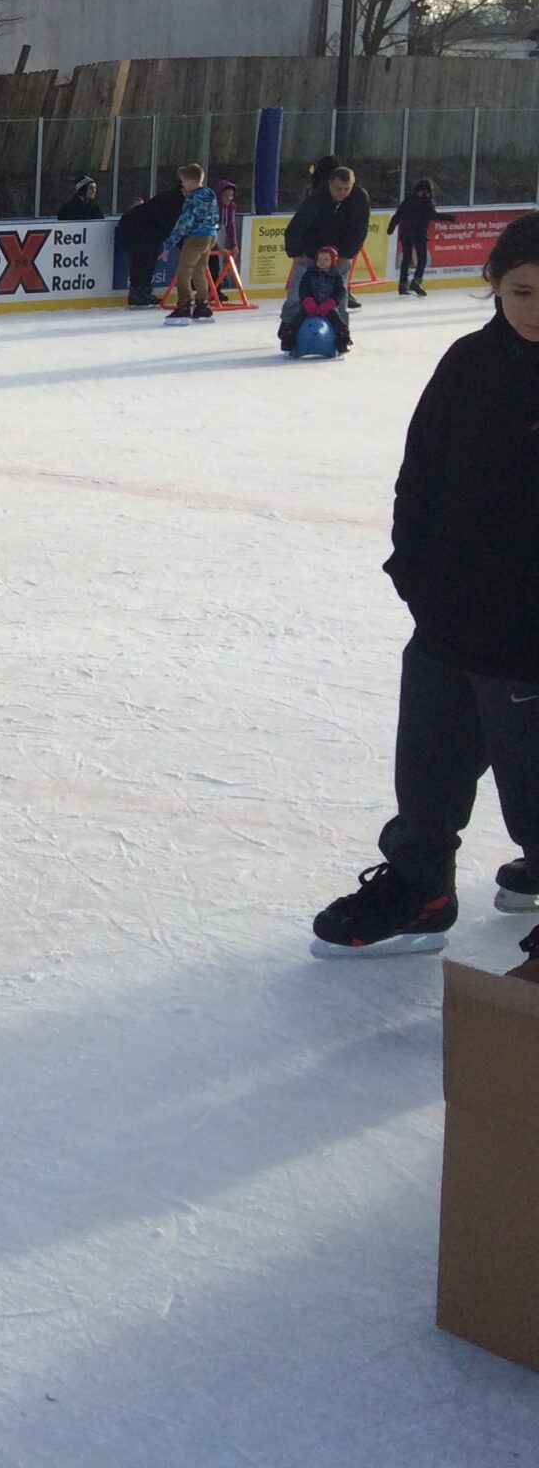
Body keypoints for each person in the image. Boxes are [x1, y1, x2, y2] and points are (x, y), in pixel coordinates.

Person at [311, 215, 539, 962]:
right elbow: (421, 476)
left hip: (530, 638)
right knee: (429, 769)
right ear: (495, 288)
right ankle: (421, 886)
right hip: (449, 618)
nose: (536, 307)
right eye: (522, 291)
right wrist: (413, 572)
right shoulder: (469, 363)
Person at [279, 165, 371, 342]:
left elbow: (359, 230)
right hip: (311, 252)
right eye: (338, 188)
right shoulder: (316, 198)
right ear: (330, 184)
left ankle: (342, 333)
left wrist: (347, 254)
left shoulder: (359, 199)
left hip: (339, 255)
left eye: (347, 188)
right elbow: (297, 225)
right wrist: (295, 252)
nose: (342, 193)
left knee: (340, 296)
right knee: (298, 293)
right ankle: (287, 328)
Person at [115, 177, 186, 309]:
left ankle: (144, 291)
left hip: (149, 231)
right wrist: (183, 245)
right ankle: (136, 292)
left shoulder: (180, 200)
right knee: (142, 258)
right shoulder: (171, 200)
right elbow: (171, 226)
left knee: (149, 258)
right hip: (135, 227)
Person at [163, 164, 219, 324]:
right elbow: (215, 217)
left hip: (196, 238)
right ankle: (203, 306)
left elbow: (185, 222)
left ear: (190, 180)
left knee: (183, 272)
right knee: (200, 271)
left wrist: (169, 244)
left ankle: (184, 306)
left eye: (183, 181)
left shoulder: (193, 198)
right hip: (210, 235)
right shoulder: (210, 194)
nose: (182, 184)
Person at [279, 248, 352, 356]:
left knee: (338, 322)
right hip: (310, 305)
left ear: (332, 261)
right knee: (296, 321)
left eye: (326, 259)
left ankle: (342, 341)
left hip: (328, 306)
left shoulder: (336, 276)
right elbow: (303, 288)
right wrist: (307, 301)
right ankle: (288, 341)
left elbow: (340, 291)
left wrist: (331, 302)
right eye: (320, 259)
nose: (322, 262)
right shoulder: (309, 274)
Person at [393, 177, 455, 297]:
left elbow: (399, 214)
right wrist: (450, 218)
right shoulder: (426, 201)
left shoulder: (409, 199)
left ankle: (403, 285)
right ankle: (415, 281)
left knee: (406, 259)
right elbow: (432, 215)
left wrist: (391, 226)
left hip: (406, 233)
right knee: (421, 259)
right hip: (418, 235)